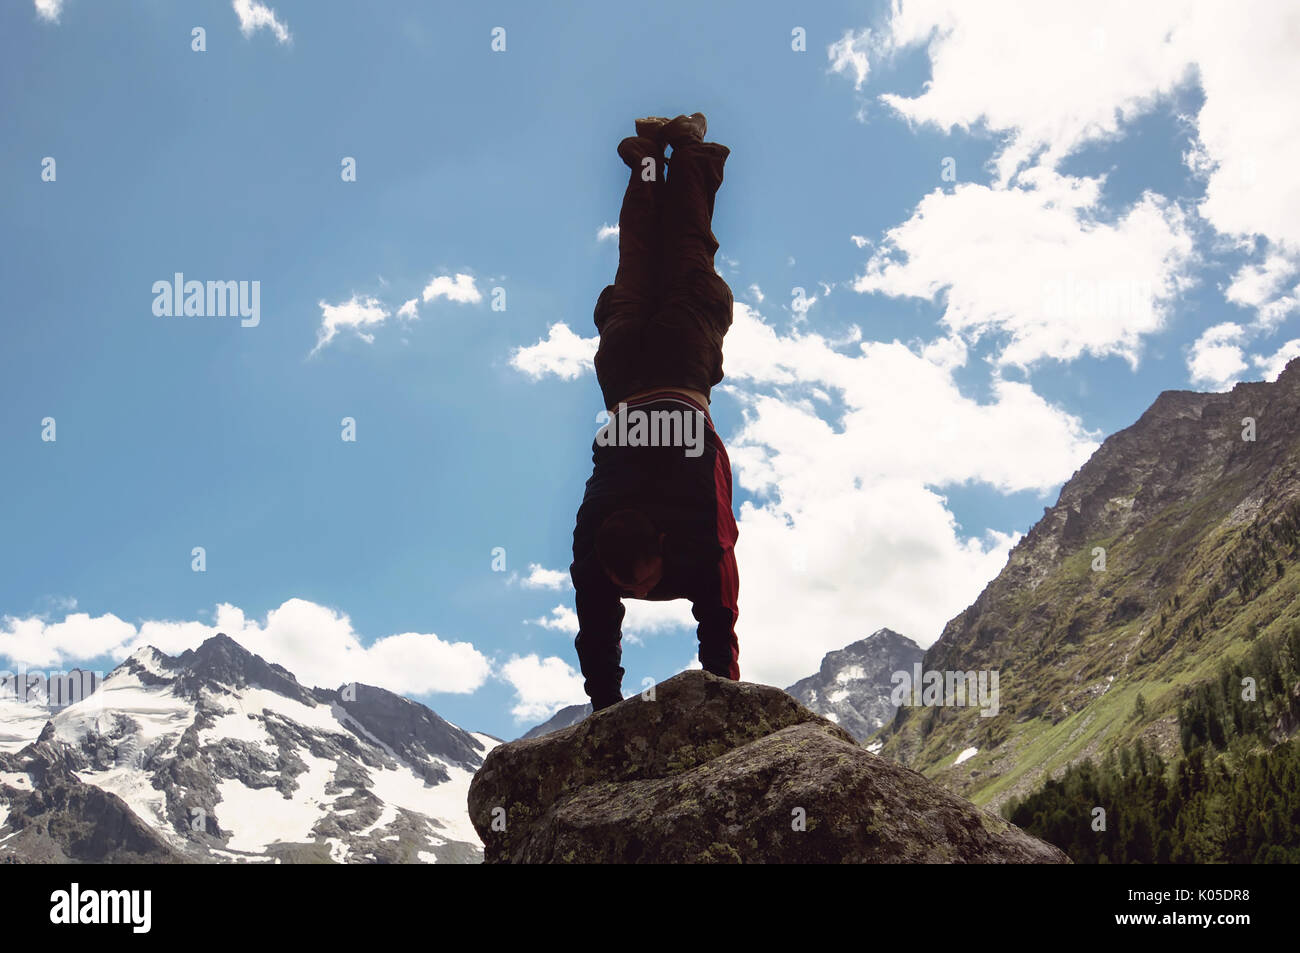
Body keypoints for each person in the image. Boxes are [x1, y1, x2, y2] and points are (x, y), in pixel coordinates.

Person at [569, 112, 740, 711]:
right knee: (638, 259)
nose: (635, 595)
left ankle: (684, 148)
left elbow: (721, 597)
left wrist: (724, 687)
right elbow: (597, 628)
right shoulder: (596, 553)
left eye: (635, 585)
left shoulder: (691, 528)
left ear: (661, 545)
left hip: (680, 357)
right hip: (622, 369)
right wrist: (606, 709)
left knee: (687, 253)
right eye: (629, 587)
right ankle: (647, 153)